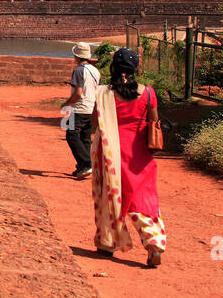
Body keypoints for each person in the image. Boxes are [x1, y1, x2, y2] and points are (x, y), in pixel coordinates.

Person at [91, 48, 167, 268]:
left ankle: (108, 242)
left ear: (113, 67)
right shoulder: (149, 93)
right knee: (143, 198)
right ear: (136, 69)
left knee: (110, 196)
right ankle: (154, 243)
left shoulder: (103, 93)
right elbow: (154, 121)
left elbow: (95, 122)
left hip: (111, 154)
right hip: (139, 155)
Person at [62, 42, 100, 179]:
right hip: (90, 108)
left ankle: (86, 163)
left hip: (77, 109)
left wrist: (67, 103)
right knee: (85, 138)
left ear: (76, 56)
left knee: (71, 135)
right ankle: (83, 166)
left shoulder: (78, 71)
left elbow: (78, 92)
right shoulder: (95, 71)